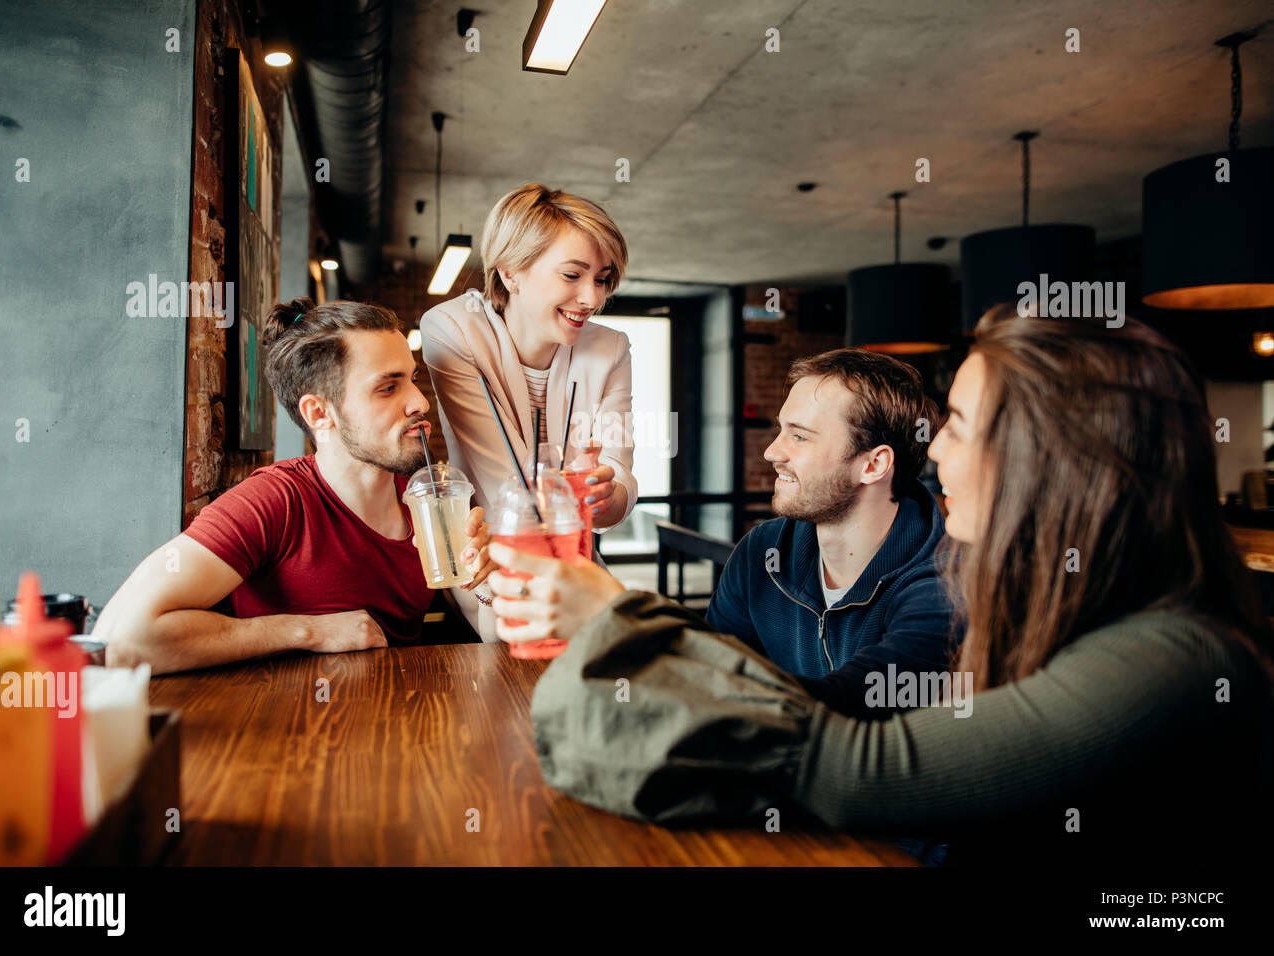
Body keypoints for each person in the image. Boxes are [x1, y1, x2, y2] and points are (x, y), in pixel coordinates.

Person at [493, 308, 1274, 864]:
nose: (936, 460)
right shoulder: (1056, 602)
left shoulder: (1172, 658)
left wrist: (621, 616)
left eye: (962, 428)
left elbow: (856, 765)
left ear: (1051, 454)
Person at [97, 298, 496, 676]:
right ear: (319, 412)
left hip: (397, 730)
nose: (420, 402)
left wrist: (492, 585)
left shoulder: (424, 502)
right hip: (283, 737)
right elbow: (118, 640)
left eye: (412, 380)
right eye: (388, 388)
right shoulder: (274, 501)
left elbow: (490, 629)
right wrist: (309, 632)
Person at [704, 349, 955, 717]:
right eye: (781, 430)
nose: (773, 452)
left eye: (800, 437)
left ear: (873, 464)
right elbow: (711, 673)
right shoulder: (762, 551)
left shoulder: (946, 581)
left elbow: (851, 705)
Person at [419, 183, 637, 546]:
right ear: (510, 272)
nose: (592, 298)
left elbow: (618, 476)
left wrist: (608, 494)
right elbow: (504, 486)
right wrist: (572, 495)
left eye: (602, 279)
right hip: (491, 559)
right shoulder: (454, 329)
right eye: (572, 275)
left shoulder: (611, 348)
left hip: (572, 556)